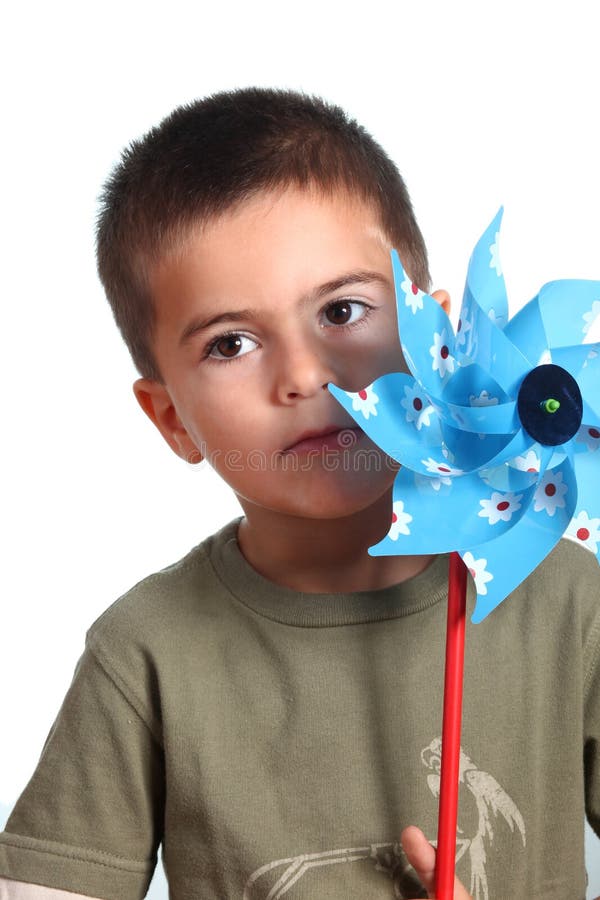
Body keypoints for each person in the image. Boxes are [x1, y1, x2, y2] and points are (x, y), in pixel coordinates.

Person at [0, 88, 598, 900]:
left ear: (441, 339)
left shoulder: (571, 610)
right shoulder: (144, 654)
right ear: (172, 420)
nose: (305, 375)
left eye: (342, 310)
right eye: (231, 343)